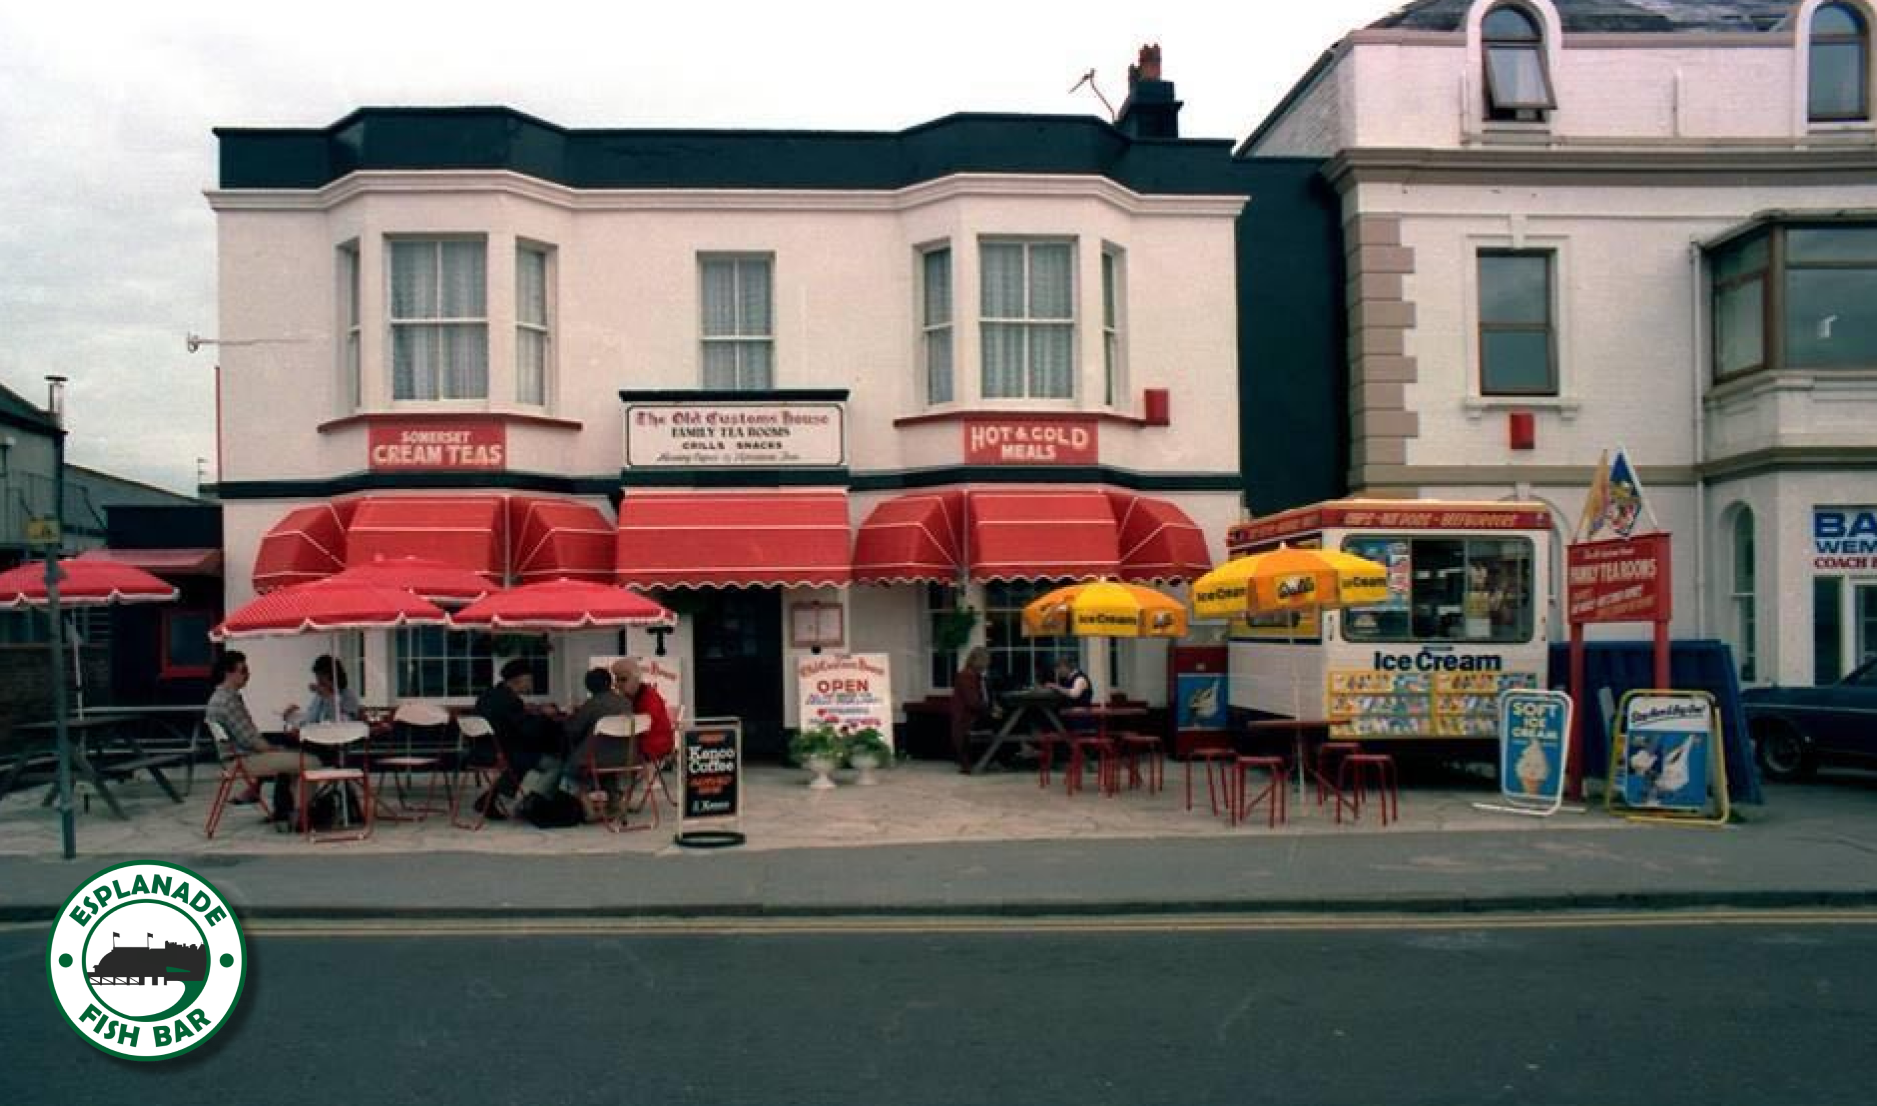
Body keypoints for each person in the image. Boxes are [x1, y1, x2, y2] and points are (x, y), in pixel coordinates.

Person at [204, 651, 300, 822]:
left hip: (234, 758)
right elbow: (251, 741)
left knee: (287, 756)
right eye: (244, 670)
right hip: (242, 761)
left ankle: (282, 810)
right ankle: (299, 815)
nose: (248, 675)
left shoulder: (219, 698)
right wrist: (274, 749)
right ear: (229, 673)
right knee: (305, 761)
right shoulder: (228, 701)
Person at [471, 658, 560, 813]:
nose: (531, 684)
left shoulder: (486, 696)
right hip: (504, 754)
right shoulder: (511, 701)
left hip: (480, 751)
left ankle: (489, 800)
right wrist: (545, 716)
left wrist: (528, 711)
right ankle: (534, 804)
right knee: (555, 763)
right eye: (529, 680)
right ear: (518, 680)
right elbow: (529, 731)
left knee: (524, 758)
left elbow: (510, 721)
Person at [950, 646, 996, 774]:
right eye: (987, 660)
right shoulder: (967, 676)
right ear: (980, 660)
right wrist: (990, 710)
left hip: (971, 718)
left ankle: (993, 758)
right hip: (967, 721)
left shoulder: (975, 676)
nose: (988, 663)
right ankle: (994, 758)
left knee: (1005, 721)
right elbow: (973, 703)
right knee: (1005, 723)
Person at [282, 654, 361, 728]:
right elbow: (310, 721)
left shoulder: (348, 696)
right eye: (317, 677)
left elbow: (342, 724)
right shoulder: (319, 696)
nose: (318, 682)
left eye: (321, 678)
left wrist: (329, 697)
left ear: (333, 676)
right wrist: (291, 716)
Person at [1045, 654, 1095, 732]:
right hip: (1070, 715)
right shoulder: (1067, 679)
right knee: (1044, 716)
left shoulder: (1080, 678)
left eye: (1059, 668)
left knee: (1048, 719)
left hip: (1080, 718)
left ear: (1067, 667)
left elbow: (1074, 694)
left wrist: (1056, 687)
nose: (1058, 671)